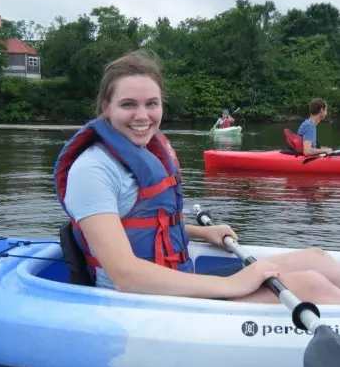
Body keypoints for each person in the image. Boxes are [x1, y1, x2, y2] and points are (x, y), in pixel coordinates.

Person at [54, 50, 340, 304]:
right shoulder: (92, 170)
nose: (142, 116)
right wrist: (232, 284)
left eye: (151, 104)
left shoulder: (147, 150)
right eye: (128, 104)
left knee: (317, 259)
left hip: (178, 280)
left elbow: (147, 223)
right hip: (138, 301)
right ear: (106, 108)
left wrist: (201, 232)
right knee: (312, 286)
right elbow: (125, 275)